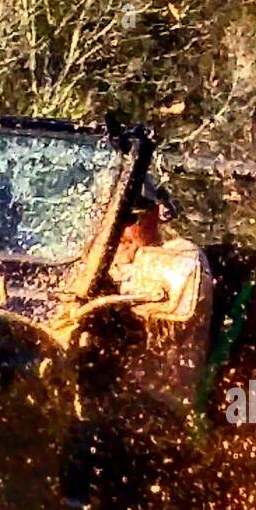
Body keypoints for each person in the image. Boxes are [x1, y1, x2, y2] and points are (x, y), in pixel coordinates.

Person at [109, 178, 214, 416]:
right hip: (105, 397)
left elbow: (171, 283)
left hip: (161, 409)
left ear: (156, 213)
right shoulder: (86, 260)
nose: (117, 228)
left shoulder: (182, 256)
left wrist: (117, 265)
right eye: (108, 215)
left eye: (129, 217)